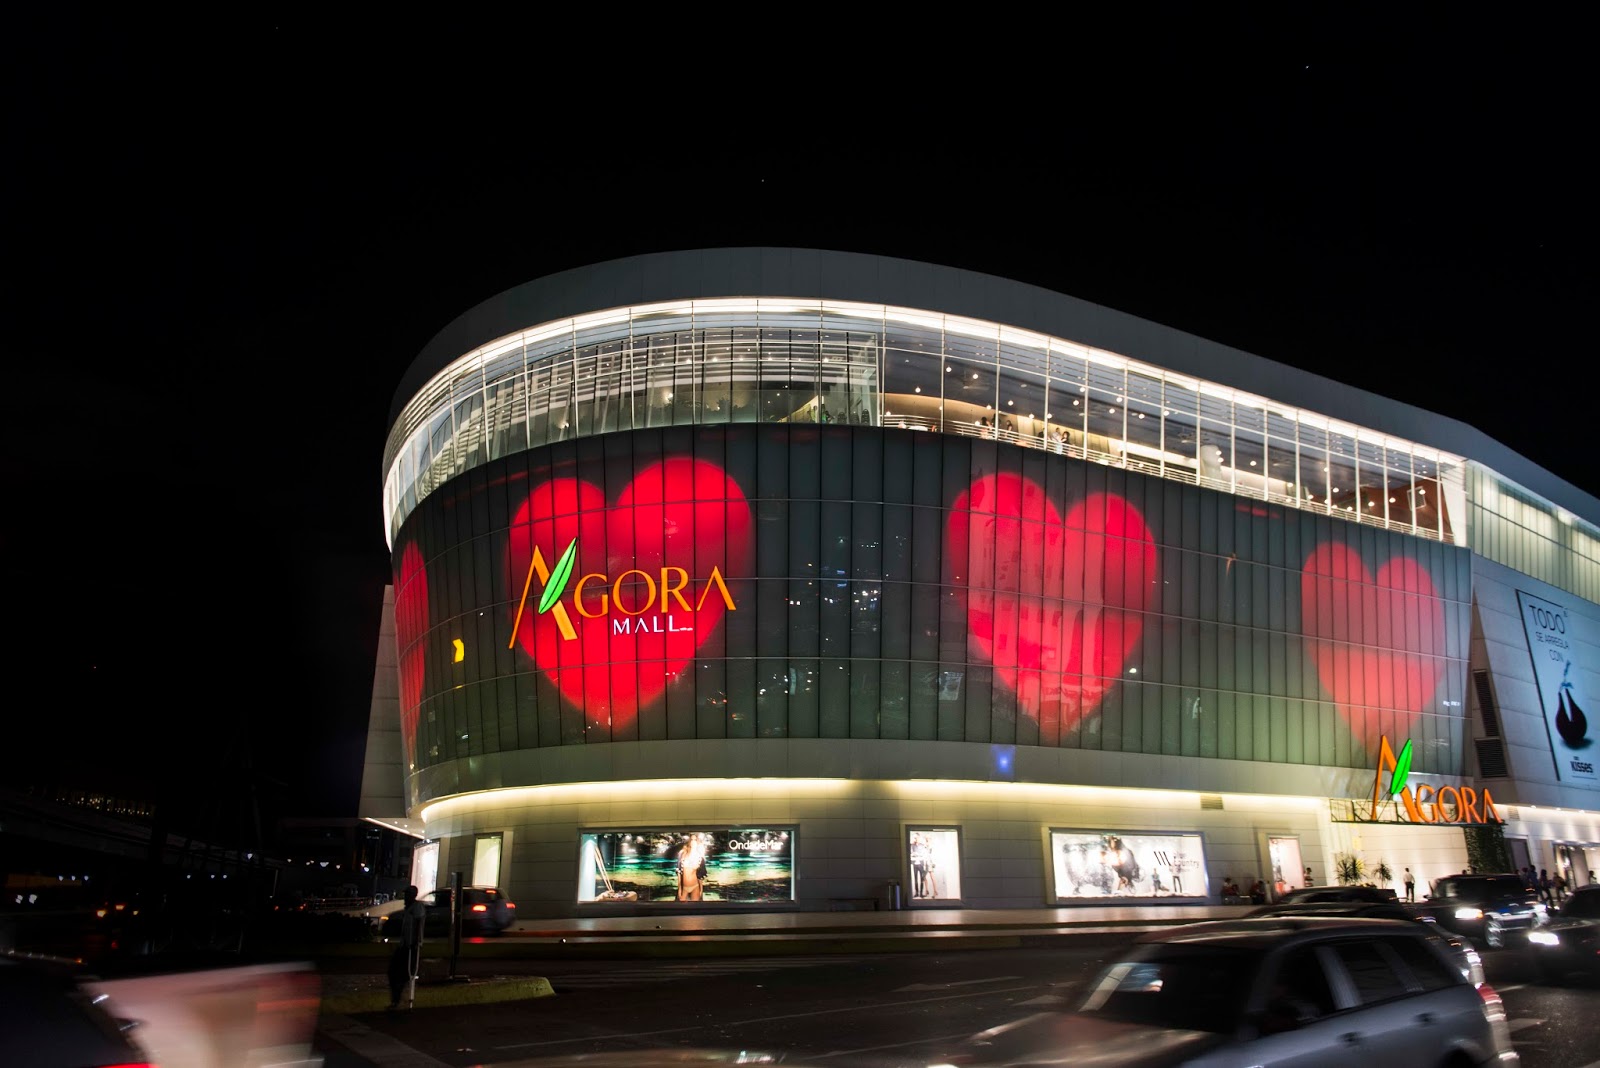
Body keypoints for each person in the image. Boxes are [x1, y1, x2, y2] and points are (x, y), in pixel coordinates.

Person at [387, 885, 427, 1010]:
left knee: (402, 973)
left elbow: (418, 924)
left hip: (411, 946)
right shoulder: (408, 909)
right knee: (393, 971)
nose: (405, 897)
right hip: (404, 944)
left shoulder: (417, 907)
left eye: (407, 894)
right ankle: (396, 998)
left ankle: (398, 1000)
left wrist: (415, 942)